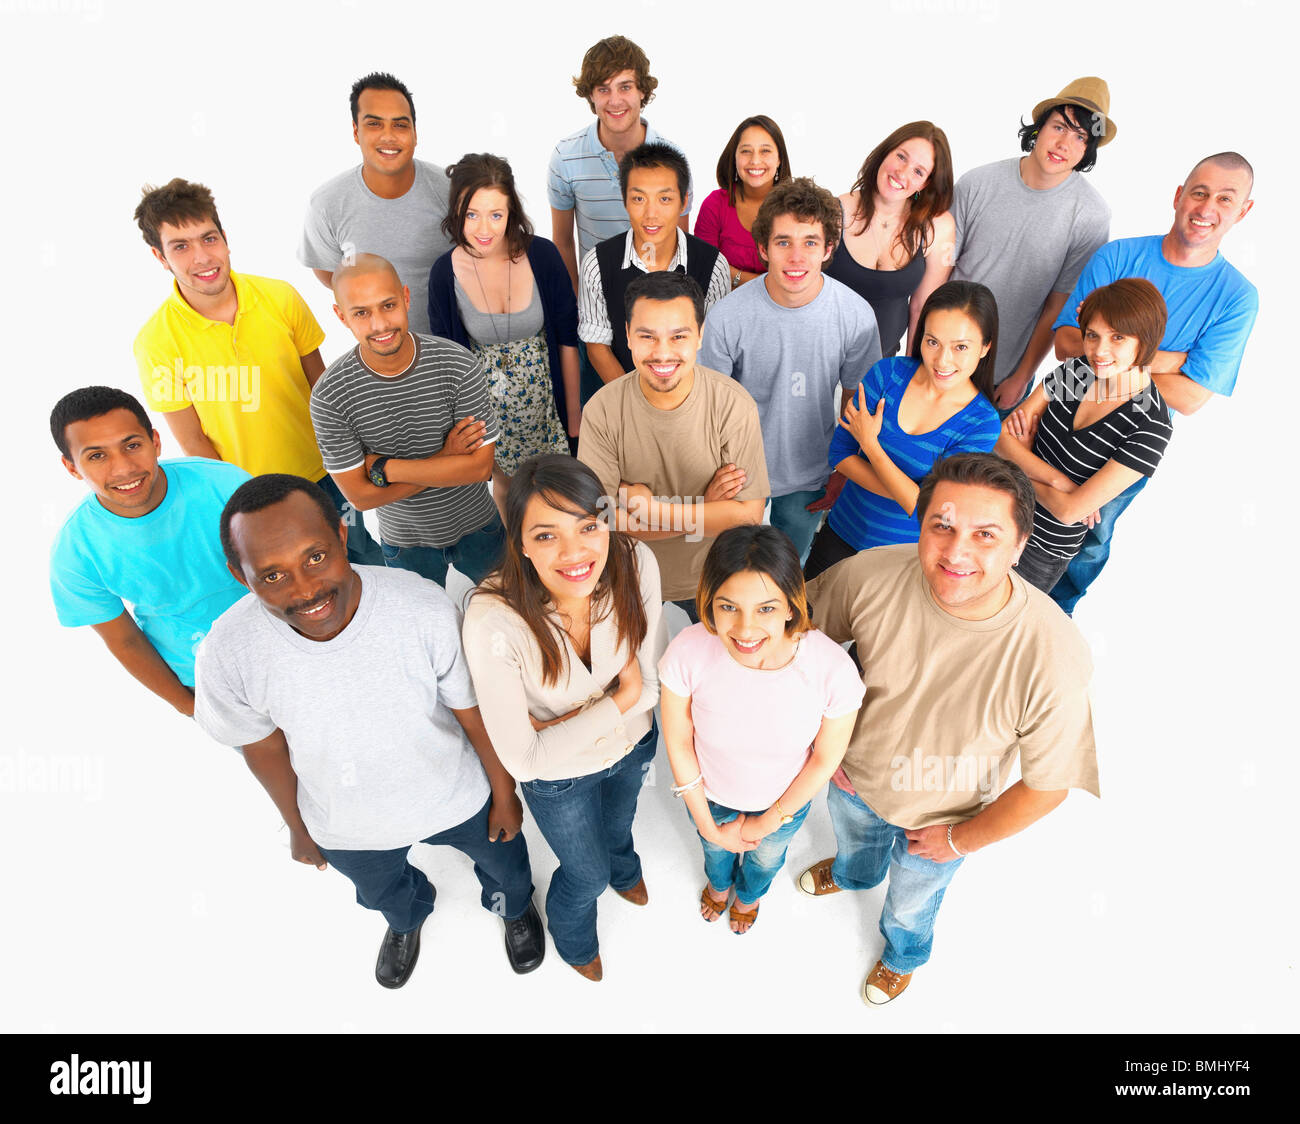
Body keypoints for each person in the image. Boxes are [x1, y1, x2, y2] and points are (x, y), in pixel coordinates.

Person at [194, 474, 546, 989]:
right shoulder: (227, 650)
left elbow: (471, 710)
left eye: (315, 556)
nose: (305, 589)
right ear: (238, 573)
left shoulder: (421, 606)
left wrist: (503, 791)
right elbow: (261, 746)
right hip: (344, 823)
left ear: (342, 534)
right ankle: (407, 919)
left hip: (459, 795)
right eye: (272, 576)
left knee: (507, 868)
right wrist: (298, 825)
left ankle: (513, 907)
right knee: (384, 893)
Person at [800, 453, 1099, 1006]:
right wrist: (820, 748)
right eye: (942, 526)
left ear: (1019, 544)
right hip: (852, 781)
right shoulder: (870, 573)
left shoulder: (1054, 652)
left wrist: (958, 839)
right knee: (856, 849)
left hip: (943, 823)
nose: (956, 552)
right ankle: (853, 875)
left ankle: (902, 955)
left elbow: (1048, 785)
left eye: (985, 534)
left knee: (913, 902)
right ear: (921, 523)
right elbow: (796, 645)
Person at [463, 456, 666, 981]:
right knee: (585, 871)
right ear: (521, 543)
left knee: (621, 826)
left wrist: (559, 725)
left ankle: (627, 870)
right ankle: (575, 941)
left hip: (632, 746)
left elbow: (655, 685)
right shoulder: (492, 617)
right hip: (560, 781)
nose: (576, 553)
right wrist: (620, 700)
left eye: (589, 526)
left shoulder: (635, 560)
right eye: (547, 535)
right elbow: (525, 761)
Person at [1046, 151, 1258, 613]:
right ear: (1179, 196)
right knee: (1010, 501)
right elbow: (1065, 343)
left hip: (1129, 436)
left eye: (1226, 198)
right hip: (1062, 404)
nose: (1207, 207)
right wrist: (1175, 358)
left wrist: (1109, 353)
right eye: (1199, 192)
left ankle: (1053, 622)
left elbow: (1190, 396)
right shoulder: (1119, 255)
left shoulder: (1237, 297)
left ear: (1244, 211)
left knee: (1090, 538)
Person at [131, 178, 382, 566]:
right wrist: (241, 498)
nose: (202, 257)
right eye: (181, 246)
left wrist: (351, 453)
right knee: (298, 579)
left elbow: (323, 387)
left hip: (327, 474)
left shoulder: (279, 297)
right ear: (160, 257)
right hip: (251, 494)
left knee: (359, 555)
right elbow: (194, 442)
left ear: (225, 238)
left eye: (208, 238)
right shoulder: (155, 342)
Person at [659, 525, 862, 935]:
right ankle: (719, 888)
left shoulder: (833, 671)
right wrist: (705, 823)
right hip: (707, 796)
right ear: (708, 602)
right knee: (715, 855)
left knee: (767, 860)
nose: (745, 630)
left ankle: (749, 897)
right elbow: (679, 742)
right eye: (728, 606)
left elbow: (824, 760)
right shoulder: (687, 649)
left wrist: (766, 823)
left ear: (791, 606)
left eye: (766, 608)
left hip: (783, 804)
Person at [698, 176, 882, 563]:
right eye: (784, 242)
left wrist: (844, 469)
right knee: (730, 571)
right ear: (763, 248)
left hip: (810, 472)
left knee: (786, 575)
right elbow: (708, 404)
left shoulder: (855, 316)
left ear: (829, 248)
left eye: (810, 243)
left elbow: (858, 403)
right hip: (736, 472)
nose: (797, 257)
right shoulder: (728, 316)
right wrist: (712, 474)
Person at [577, 271, 769, 619]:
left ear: (699, 336)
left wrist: (654, 512)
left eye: (678, 336)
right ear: (628, 337)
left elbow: (747, 516)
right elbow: (600, 517)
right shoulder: (602, 411)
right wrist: (706, 509)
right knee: (633, 673)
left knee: (715, 670)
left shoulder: (733, 405)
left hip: (714, 574)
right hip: (630, 574)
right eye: (647, 336)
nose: (662, 354)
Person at [49, 386, 248, 715]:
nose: (123, 468)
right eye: (97, 455)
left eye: (132, 445)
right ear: (72, 467)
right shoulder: (75, 553)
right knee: (276, 766)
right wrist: (189, 705)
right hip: (205, 678)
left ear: (155, 441)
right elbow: (124, 640)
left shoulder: (223, 484)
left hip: (285, 642)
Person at [310, 253, 505, 590]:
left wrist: (386, 469)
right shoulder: (330, 396)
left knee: (512, 614)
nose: (380, 325)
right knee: (422, 635)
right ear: (341, 316)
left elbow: (478, 469)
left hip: (480, 527)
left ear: (406, 297)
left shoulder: (457, 363)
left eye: (388, 305)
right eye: (362, 312)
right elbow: (360, 498)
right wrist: (445, 458)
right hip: (405, 542)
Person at [804, 281, 1002, 580]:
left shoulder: (982, 424)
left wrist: (870, 446)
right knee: (808, 620)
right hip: (840, 534)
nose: (942, 360)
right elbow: (841, 454)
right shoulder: (887, 374)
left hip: (900, 561)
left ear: (986, 347)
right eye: (932, 342)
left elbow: (931, 508)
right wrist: (912, 495)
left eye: (960, 347)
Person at [947, 78, 1114, 411]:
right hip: (942, 352)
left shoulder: (1092, 216)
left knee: (978, 464)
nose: (1064, 143)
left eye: (1080, 136)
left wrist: (1023, 376)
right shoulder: (978, 182)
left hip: (1003, 372)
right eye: (1059, 127)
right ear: (1039, 128)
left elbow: (1058, 305)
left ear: (1087, 149)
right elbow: (941, 268)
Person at [998, 279, 1173, 594]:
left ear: (1145, 339)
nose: (1099, 351)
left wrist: (1019, 463)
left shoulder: (1150, 424)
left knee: (999, 635)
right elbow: (1003, 438)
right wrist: (1061, 483)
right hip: (996, 514)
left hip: (1042, 548)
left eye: (1117, 337)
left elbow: (1070, 513)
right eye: (1092, 335)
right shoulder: (1078, 371)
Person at [427, 154, 581, 503]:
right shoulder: (443, 274)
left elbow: (568, 342)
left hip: (548, 412)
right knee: (509, 495)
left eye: (496, 214)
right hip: (490, 419)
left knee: (558, 493)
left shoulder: (542, 255)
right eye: (472, 215)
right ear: (456, 211)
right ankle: (516, 558)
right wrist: (469, 437)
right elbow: (450, 368)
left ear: (512, 211)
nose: (485, 230)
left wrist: (574, 419)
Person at [548, 36, 692, 405]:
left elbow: (681, 245)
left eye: (625, 86)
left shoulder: (672, 158)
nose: (615, 100)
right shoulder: (566, 157)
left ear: (643, 91)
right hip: (598, 307)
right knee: (605, 413)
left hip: (659, 306)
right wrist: (583, 302)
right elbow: (562, 240)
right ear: (590, 96)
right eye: (603, 89)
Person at [298, 72, 452, 334]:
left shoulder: (451, 190)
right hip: (381, 353)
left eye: (400, 125)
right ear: (356, 132)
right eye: (374, 124)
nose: (388, 136)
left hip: (455, 347)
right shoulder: (326, 204)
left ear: (415, 133)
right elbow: (329, 273)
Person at [578, 143, 729, 391]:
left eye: (665, 199)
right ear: (624, 200)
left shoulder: (713, 265)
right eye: (638, 198)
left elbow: (711, 349)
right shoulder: (597, 264)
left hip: (692, 400)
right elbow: (598, 346)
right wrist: (635, 402)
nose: (651, 213)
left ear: (684, 202)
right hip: (624, 398)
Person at [825, 121, 956, 357]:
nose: (902, 173)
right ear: (886, 152)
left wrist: (909, 373)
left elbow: (922, 308)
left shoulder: (938, 228)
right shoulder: (835, 210)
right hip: (820, 360)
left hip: (881, 367)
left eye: (918, 171)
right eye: (901, 157)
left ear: (925, 183)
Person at [694, 115, 791, 289]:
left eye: (765, 151)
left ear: (779, 159)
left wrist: (732, 275)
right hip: (721, 306)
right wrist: (764, 282)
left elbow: (796, 273)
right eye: (746, 151)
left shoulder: (796, 208)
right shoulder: (715, 204)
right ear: (734, 157)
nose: (755, 160)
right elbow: (703, 268)